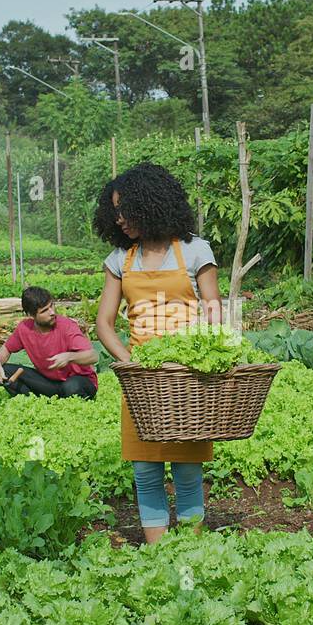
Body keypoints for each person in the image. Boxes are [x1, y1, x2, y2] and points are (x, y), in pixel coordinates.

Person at [94, 162, 224, 545]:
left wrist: (203, 354)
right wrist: (132, 362)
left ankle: (189, 551)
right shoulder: (121, 260)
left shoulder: (195, 250)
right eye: (114, 211)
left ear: (150, 205)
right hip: (142, 383)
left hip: (187, 378)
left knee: (187, 472)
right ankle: (158, 555)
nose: (119, 220)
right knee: (146, 471)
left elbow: (213, 308)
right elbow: (104, 323)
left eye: (126, 210)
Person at [0, 286, 99, 400]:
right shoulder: (24, 328)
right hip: (50, 384)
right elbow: (6, 349)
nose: (52, 312)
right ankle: (32, 403)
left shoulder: (66, 326)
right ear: (31, 315)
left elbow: (93, 356)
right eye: (44, 311)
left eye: (52, 305)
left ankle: (60, 404)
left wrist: (70, 357)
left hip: (79, 381)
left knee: (71, 386)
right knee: (6, 370)